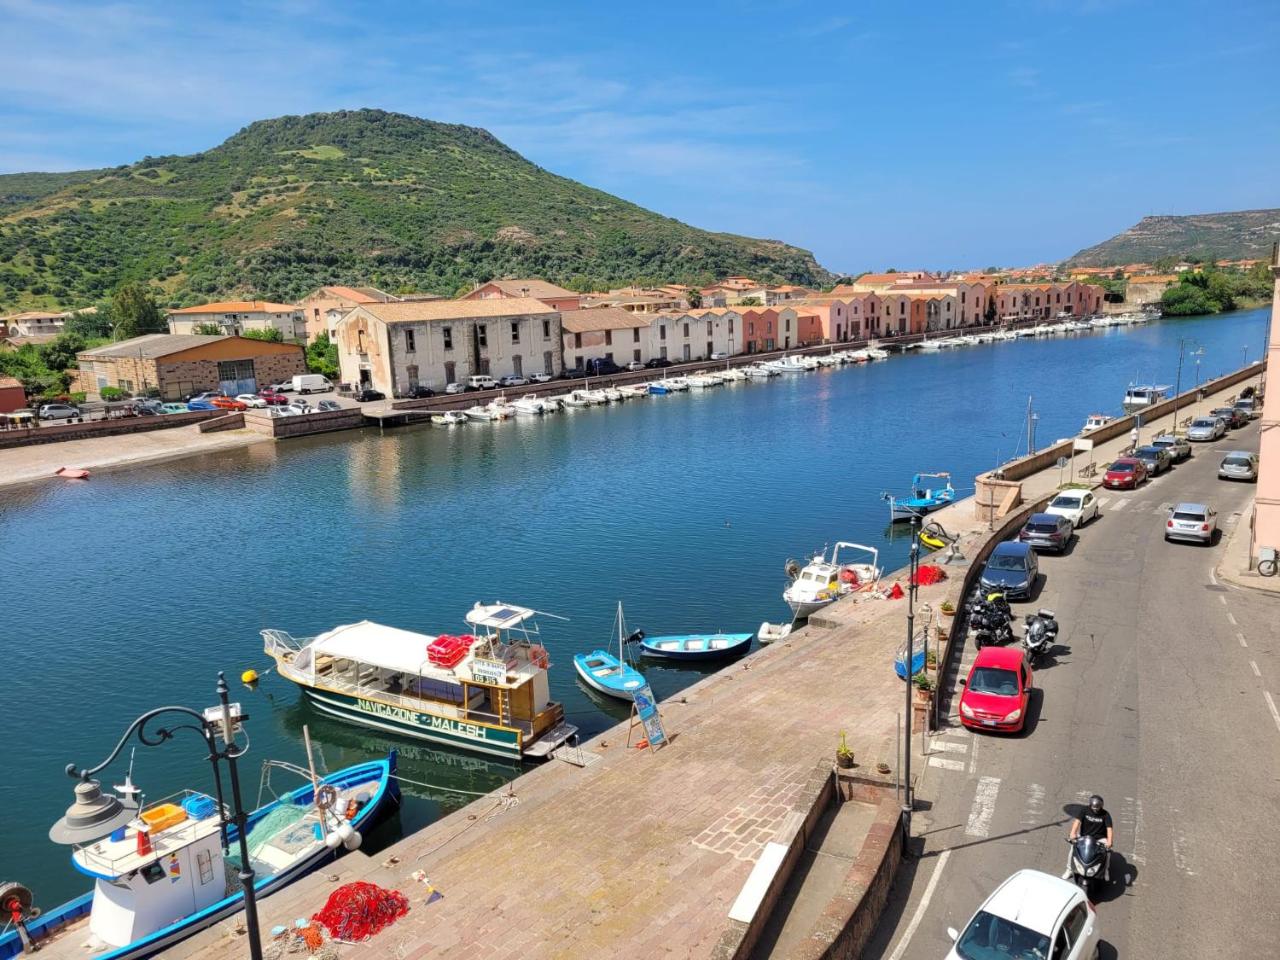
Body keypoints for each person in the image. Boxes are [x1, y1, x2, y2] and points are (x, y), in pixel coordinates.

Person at [1069, 794, 1114, 881]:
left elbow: (1109, 829)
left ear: (1101, 806)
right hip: (1084, 837)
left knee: (1107, 853)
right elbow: (1077, 822)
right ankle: (1069, 869)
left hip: (1099, 839)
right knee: (1073, 848)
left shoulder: (1105, 814)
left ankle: (1105, 871)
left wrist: (1109, 841)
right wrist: (1073, 833)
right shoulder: (1084, 810)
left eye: (1097, 808)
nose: (1095, 809)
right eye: (1093, 807)